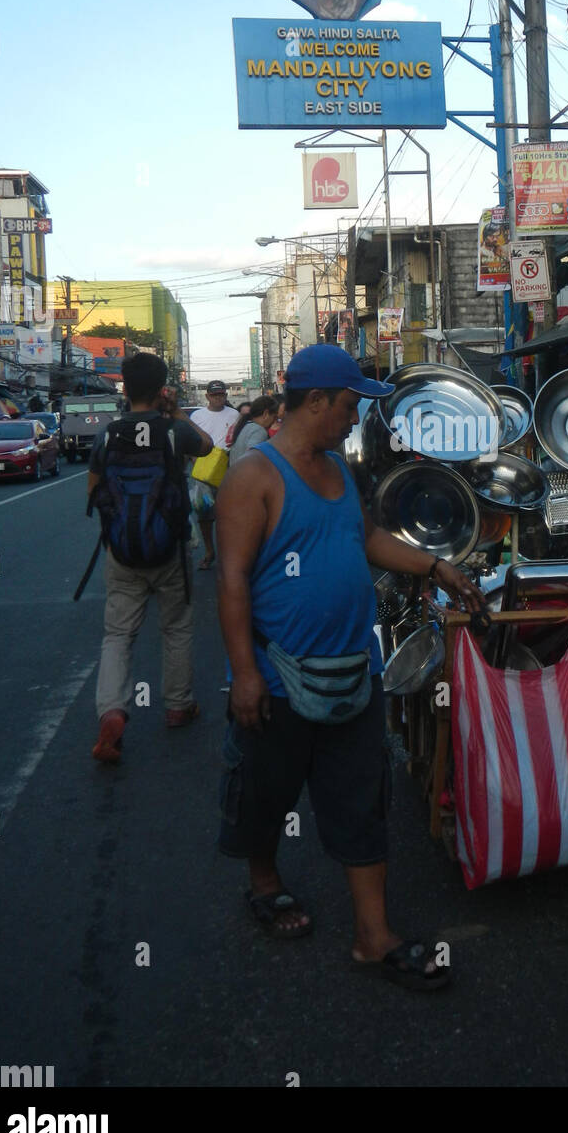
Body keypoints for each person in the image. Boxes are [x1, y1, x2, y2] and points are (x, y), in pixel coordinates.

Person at [216, 344, 486, 991]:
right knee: (268, 791)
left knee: (361, 800)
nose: (353, 415)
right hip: (280, 674)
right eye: (348, 403)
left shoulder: (338, 467)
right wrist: (245, 674)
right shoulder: (254, 475)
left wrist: (435, 565)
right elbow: (230, 580)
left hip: (353, 670)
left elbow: (364, 538)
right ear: (315, 402)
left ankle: (373, 936)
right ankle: (265, 881)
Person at [89, 355, 214, 764]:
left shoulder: (106, 436)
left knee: (117, 635)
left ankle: (112, 712)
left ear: (123, 388)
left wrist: (113, 535)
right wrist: (175, 410)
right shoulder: (175, 430)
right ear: (162, 389)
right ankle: (178, 706)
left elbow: (93, 492)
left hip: (123, 550)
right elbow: (209, 446)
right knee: (176, 627)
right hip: (171, 549)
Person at [189, 381, 239, 571]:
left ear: (226, 396)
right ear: (207, 396)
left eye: (221, 395)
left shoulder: (234, 414)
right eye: (214, 395)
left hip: (227, 469)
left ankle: (229, 553)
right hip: (202, 471)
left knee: (229, 514)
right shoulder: (197, 416)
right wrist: (195, 460)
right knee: (204, 514)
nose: (218, 398)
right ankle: (209, 551)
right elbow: (191, 442)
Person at [229, 395, 278, 465]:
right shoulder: (259, 431)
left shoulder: (244, 426)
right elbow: (253, 459)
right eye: (274, 417)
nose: (274, 421)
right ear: (266, 414)